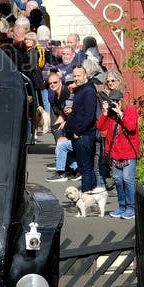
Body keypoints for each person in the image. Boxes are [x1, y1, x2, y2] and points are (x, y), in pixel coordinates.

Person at [98, 74, 140, 219]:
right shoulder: (110, 114)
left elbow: (131, 126)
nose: (114, 104)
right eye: (112, 101)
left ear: (121, 101)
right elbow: (100, 127)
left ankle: (131, 208)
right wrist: (104, 113)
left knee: (128, 180)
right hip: (115, 152)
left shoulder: (130, 110)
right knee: (118, 180)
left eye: (116, 101)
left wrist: (120, 113)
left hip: (128, 152)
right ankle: (122, 207)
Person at [63, 64, 100, 193]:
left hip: (84, 135)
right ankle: (91, 193)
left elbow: (89, 115)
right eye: (74, 76)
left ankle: (86, 195)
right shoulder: (80, 90)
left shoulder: (88, 91)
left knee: (85, 168)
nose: (76, 78)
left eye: (79, 75)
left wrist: (78, 132)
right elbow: (82, 111)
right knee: (85, 167)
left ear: (86, 76)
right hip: (79, 134)